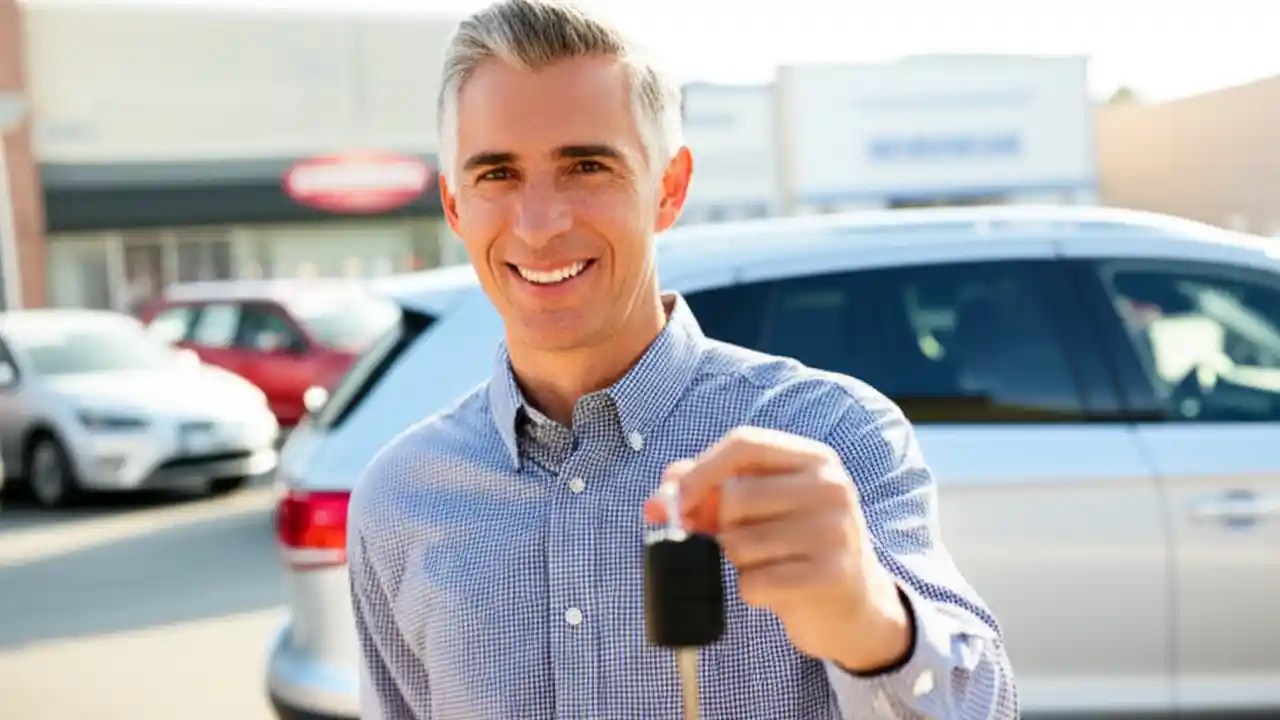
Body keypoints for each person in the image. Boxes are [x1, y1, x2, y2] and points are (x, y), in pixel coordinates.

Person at [347, 1, 1018, 717]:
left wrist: (873, 623)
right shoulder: (398, 500)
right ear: (454, 205)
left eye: (586, 165)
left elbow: (986, 705)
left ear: (668, 188)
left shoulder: (832, 438)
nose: (540, 224)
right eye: (497, 175)